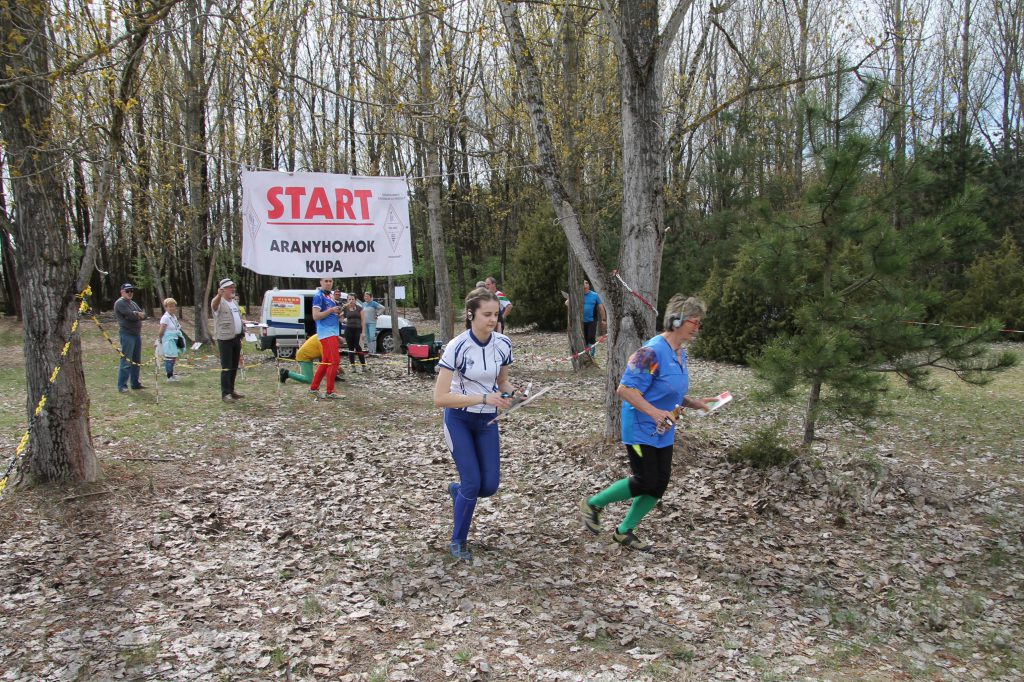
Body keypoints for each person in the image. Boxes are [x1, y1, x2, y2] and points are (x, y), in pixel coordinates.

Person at [578, 294, 714, 552]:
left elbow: (667, 390)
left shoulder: (679, 354)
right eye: (693, 322)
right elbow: (625, 389)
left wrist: (693, 402)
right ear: (675, 321)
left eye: (699, 323)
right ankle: (593, 504)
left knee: (659, 483)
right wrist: (653, 412)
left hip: (663, 430)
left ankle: (624, 531)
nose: (697, 327)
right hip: (640, 429)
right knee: (645, 479)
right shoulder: (649, 352)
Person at [433, 287, 518, 562]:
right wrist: (483, 396)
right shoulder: (457, 346)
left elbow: (503, 381)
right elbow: (440, 397)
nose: (493, 320)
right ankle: (458, 541)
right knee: (472, 482)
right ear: (471, 314)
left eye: (496, 314)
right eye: (487, 314)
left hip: (487, 420)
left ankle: (457, 492)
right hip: (459, 419)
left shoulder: (503, 343)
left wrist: (511, 394)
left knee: (489, 485)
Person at [211, 277, 245, 402]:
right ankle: (225, 394)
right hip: (225, 339)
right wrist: (218, 296)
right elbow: (214, 307)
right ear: (223, 290)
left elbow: (237, 319)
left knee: (234, 365)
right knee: (226, 366)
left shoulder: (234, 303)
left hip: (236, 337)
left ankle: (231, 390)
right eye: (230, 287)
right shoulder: (219, 302)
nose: (233, 289)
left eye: (233, 287)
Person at [309, 277, 343, 398]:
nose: (328, 283)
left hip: (332, 332)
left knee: (326, 362)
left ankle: (313, 388)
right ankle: (330, 391)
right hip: (326, 333)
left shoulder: (330, 296)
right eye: (326, 281)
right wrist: (331, 310)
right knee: (334, 361)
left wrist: (338, 313)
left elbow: (332, 315)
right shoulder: (318, 296)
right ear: (321, 282)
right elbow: (316, 316)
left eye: (330, 281)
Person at [114, 282, 146, 393]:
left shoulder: (132, 303)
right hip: (127, 334)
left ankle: (135, 383)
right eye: (127, 291)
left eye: (131, 291)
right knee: (126, 360)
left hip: (136, 334)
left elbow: (143, 314)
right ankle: (122, 385)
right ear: (122, 292)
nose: (130, 293)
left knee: (136, 360)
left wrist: (137, 313)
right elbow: (131, 316)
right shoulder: (120, 303)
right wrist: (137, 314)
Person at [279, 334, 345, 385]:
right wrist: (338, 368)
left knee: (328, 365)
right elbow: (328, 358)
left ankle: (334, 377)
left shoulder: (324, 337)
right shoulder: (323, 341)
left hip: (307, 357)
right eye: (338, 345)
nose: (337, 347)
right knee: (309, 380)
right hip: (304, 357)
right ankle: (286, 373)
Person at [158, 298, 186, 381]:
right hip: (168, 340)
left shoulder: (173, 317)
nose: (172, 308)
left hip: (175, 338)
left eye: (173, 306)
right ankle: (169, 376)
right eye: (170, 306)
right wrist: (160, 339)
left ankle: (172, 374)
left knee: (173, 357)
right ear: (166, 307)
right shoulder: (165, 318)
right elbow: (161, 330)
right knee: (169, 357)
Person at [582, 280, 607, 357]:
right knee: (584, 338)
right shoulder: (577, 295)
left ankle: (592, 355)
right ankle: (585, 355)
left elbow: (600, 307)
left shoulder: (595, 295)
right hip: (581, 321)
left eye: (587, 283)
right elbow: (567, 303)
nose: (585, 285)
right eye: (583, 283)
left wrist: (604, 319)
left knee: (591, 337)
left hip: (592, 320)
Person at [342, 294, 366, 372]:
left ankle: (363, 366)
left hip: (358, 329)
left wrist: (363, 332)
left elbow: (363, 321)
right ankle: (353, 367)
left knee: (358, 347)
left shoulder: (360, 309)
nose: (351, 301)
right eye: (349, 299)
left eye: (352, 299)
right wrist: (343, 320)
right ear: (347, 300)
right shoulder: (345, 308)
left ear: (355, 300)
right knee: (350, 348)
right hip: (349, 330)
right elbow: (340, 317)